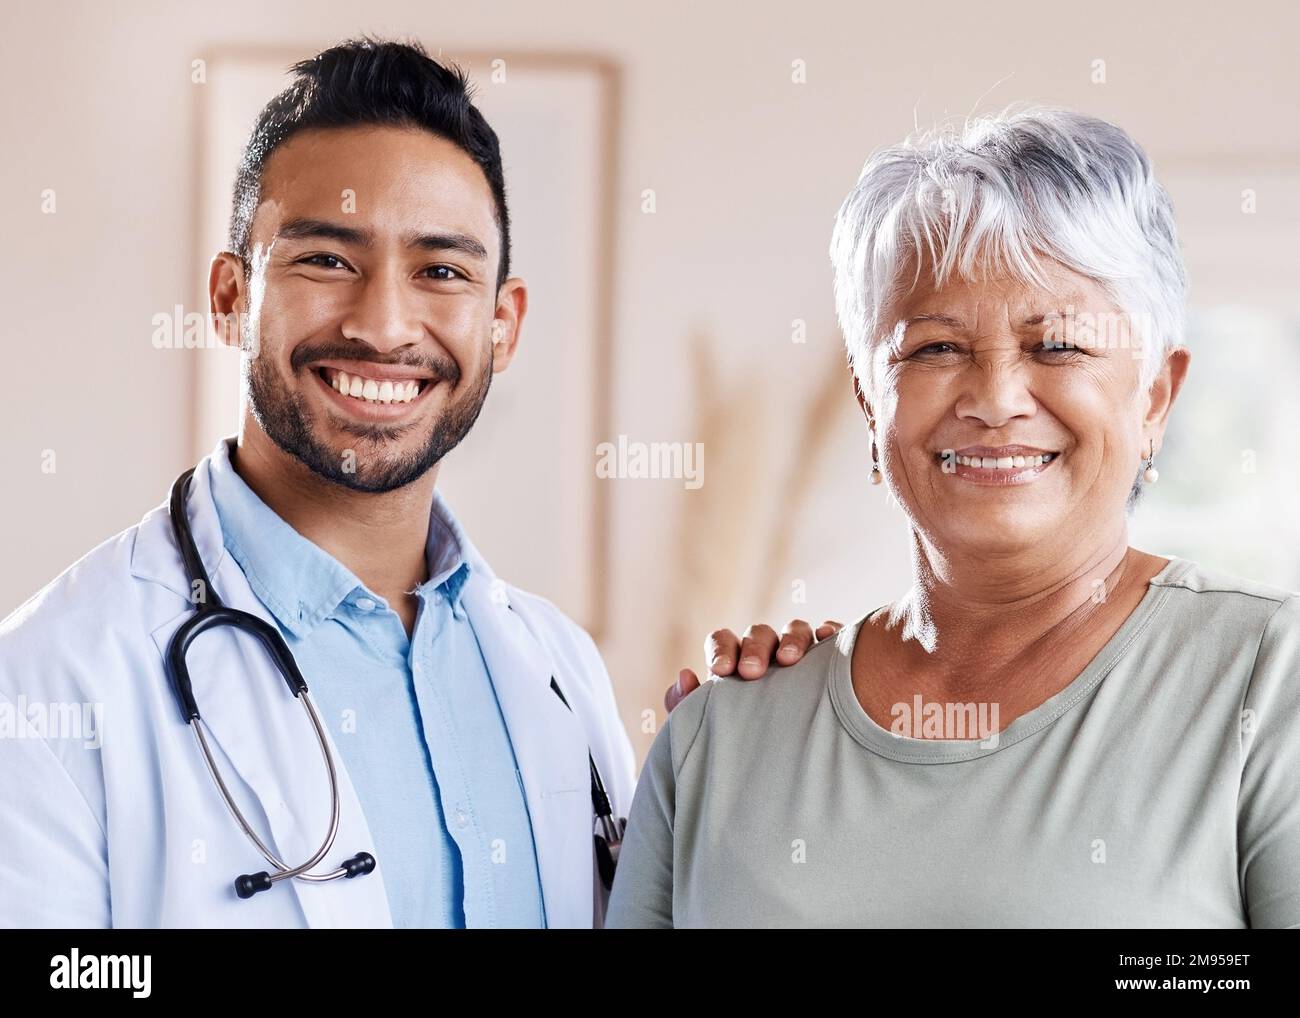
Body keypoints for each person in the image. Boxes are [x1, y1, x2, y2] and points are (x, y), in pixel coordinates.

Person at [0, 35, 645, 929]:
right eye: (327, 260)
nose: (382, 327)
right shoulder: (46, 686)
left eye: (442, 271)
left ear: (503, 324)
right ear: (230, 297)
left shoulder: (559, 668)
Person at [606, 105, 1300, 928]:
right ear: (871, 403)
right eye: (935, 348)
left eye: (1060, 346)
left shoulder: (1269, 679)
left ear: (1156, 396)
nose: (996, 401)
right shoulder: (719, 738)